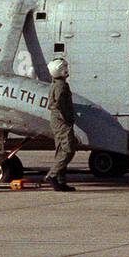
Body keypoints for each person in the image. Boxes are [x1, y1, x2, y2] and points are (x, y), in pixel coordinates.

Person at [45, 57, 76, 191]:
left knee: (61, 150)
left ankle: (60, 181)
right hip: (62, 121)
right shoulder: (61, 86)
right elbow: (59, 105)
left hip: (57, 120)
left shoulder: (56, 84)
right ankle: (52, 175)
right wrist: (68, 119)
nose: (66, 70)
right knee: (68, 149)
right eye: (64, 68)